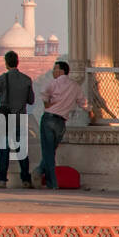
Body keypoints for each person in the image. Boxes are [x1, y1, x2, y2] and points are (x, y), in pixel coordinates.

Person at [0, 50, 35, 188]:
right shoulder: (27, 79)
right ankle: (26, 180)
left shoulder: (4, 78)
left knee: (4, 150)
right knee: (22, 151)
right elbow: (31, 100)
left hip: (6, 119)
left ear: (6, 63)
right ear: (17, 62)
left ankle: (2, 180)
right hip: (20, 118)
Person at [39, 60, 89, 190]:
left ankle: (51, 182)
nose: (53, 72)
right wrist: (91, 112)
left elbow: (43, 92)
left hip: (49, 118)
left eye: (55, 69)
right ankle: (38, 173)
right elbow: (83, 103)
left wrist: (46, 104)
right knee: (51, 152)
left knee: (48, 152)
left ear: (61, 71)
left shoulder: (54, 83)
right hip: (61, 122)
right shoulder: (75, 86)